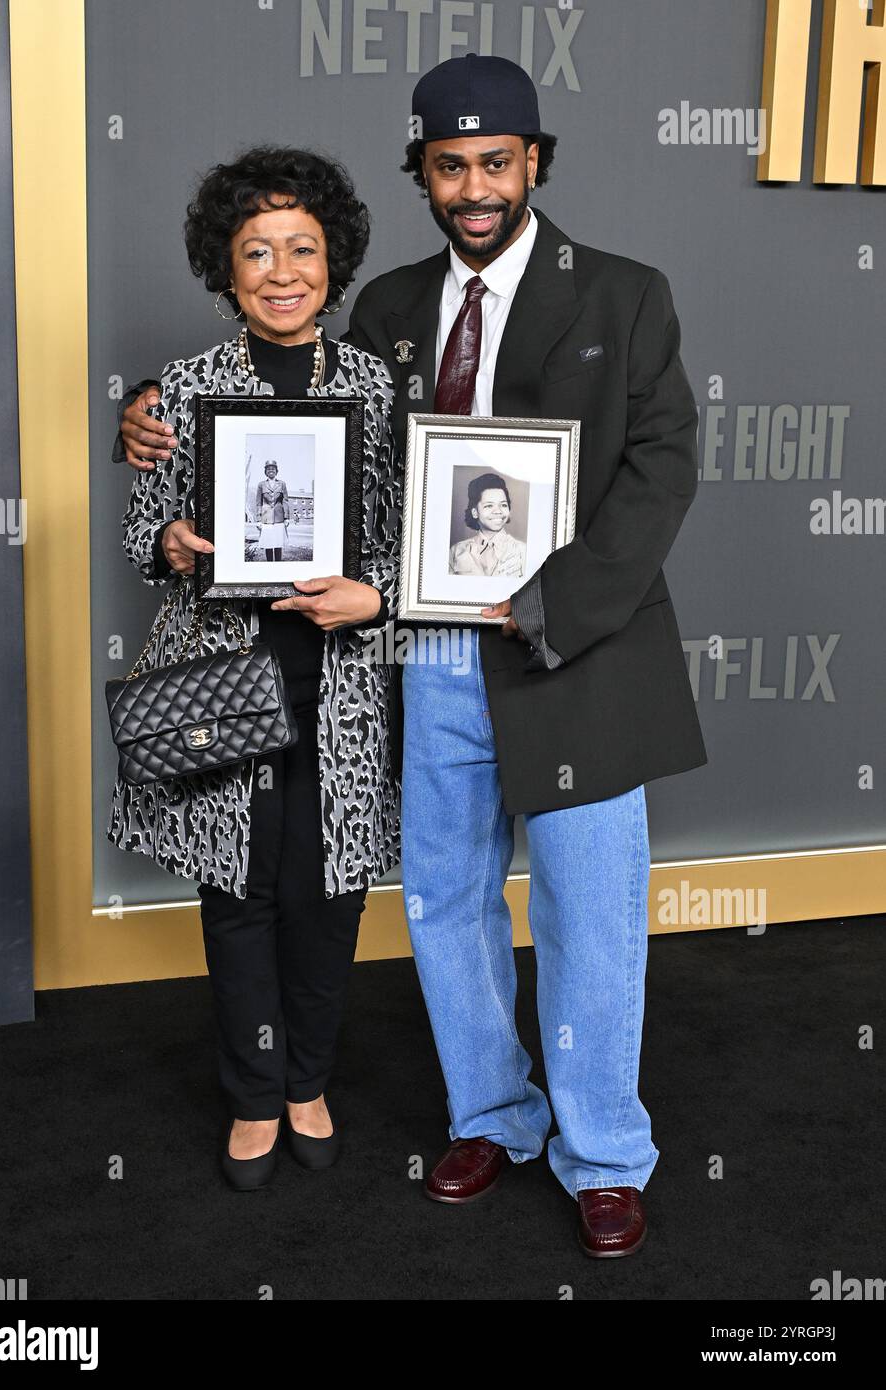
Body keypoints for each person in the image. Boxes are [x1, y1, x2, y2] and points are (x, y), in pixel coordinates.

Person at [115, 56, 708, 1260]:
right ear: (424, 177)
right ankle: (491, 1112)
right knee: (444, 898)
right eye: (452, 167)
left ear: (535, 162)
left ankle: (602, 1152)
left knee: (593, 914)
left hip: (576, 652)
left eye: (497, 163)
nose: (476, 187)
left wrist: (541, 609)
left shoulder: (627, 295)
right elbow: (277, 388)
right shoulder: (384, 308)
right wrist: (145, 405)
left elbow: (661, 471)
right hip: (428, 655)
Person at [107, 145, 401, 1192]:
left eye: (303, 249)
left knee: (330, 897)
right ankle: (251, 1095)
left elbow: (410, 544)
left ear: (334, 261)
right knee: (236, 899)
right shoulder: (178, 392)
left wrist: (377, 592)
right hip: (226, 695)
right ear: (227, 271)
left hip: (344, 693)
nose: (282, 271)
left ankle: (310, 1084)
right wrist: (175, 543)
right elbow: (145, 535)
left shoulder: (377, 385)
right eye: (257, 252)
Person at [449, 471, 526, 577]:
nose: (498, 511)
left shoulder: (522, 551)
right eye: (489, 506)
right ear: (475, 512)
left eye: (503, 505)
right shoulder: (456, 551)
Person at [252, 460, 290, 560]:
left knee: (278, 544)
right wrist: (258, 519)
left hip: (279, 518)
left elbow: (285, 501)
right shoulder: (261, 484)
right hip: (266, 518)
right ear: (266, 472)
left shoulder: (282, 484)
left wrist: (286, 518)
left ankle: (277, 565)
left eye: (273, 468)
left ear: (276, 471)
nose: (271, 470)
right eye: (268, 469)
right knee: (268, 545)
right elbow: (258, 503)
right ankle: (269, 565)